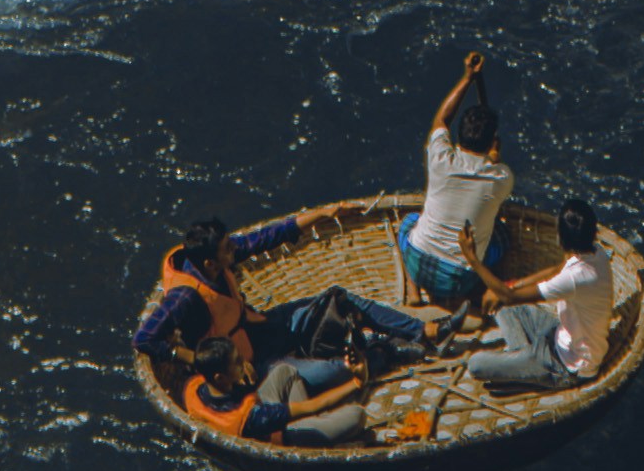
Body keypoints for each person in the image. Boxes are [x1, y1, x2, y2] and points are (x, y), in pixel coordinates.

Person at [132, 211, 425, 378]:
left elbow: (263, 239)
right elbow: (144, 339)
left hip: (261, 328)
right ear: (209, 263)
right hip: (247, 362)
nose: (235, 249)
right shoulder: (184, 297)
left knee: (340, 298)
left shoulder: (217, 262)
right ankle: (384, 351)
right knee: (332, 374)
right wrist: (196, 358)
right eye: (228, 248)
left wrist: (318, 217)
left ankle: (421, 331)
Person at [459, 197, 623, 391]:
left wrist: (473, 259)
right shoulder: (597, 253)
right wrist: (511, 285)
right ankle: (521, 358)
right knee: (504, 304)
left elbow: (508, 297)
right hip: (558, 335)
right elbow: (556, 270)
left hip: (566, 366)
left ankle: (524, 364)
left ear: (561, 239)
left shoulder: (575, 278)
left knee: (476, 364)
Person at [399, 49, 514, 311]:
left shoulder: (440, 159)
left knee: (407, 223)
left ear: (460, 136)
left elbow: (442, 119)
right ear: (491, 144)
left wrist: (468, 77)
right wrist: (494, 154)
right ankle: (477, 290)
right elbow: (492, 165)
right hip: (459, 280)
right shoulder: (501, 177)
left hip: (417, 263)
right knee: (503, 237)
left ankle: (413, 288)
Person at [180, 337, 371, 446]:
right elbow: (313, 405)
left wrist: (174, 348)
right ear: (220, 377)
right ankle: (316, 433)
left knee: (284, 371)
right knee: (357, 414)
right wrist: (356, 382)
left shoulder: (195, 385)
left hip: (259, 407)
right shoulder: (253, 417)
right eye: (237, 362)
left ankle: (319, 423)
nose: (244, 364)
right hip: (277, 434)